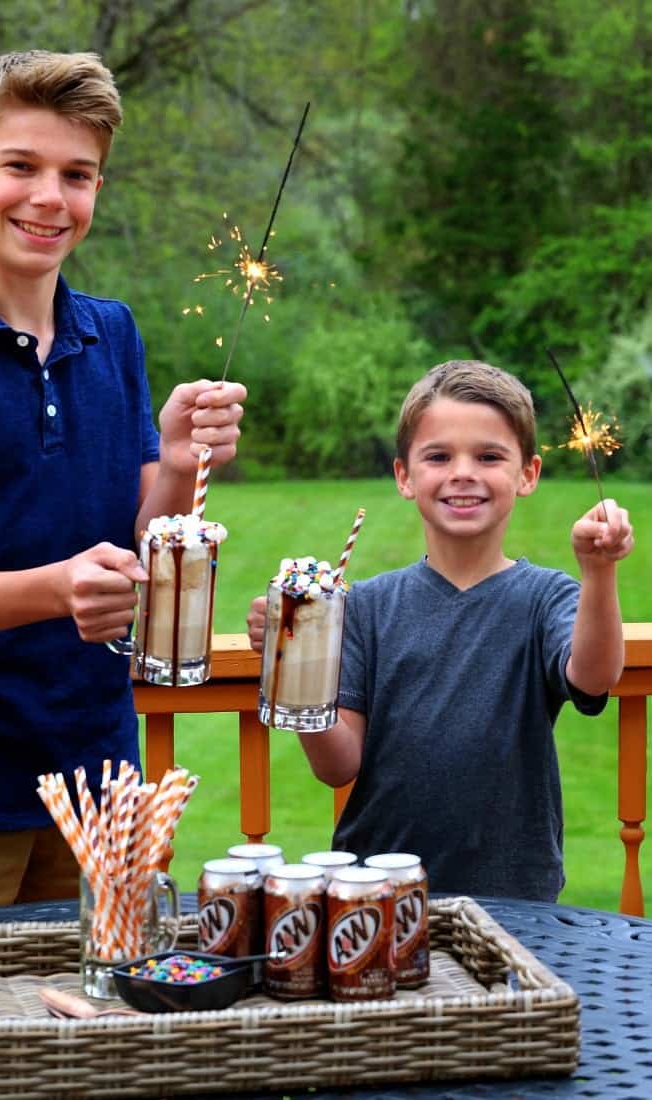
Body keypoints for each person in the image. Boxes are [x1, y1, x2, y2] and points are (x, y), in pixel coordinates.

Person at [0, 50, 247, 917]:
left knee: (90, 1034)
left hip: (102, 780)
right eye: (20, 166)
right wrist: (54, 591)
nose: (50, 198)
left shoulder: (113, 334)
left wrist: (172, 465)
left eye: (78, 174)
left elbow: (139, 547)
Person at [247, 360, 634, 901]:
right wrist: (290, 663)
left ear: (528, 474)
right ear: (405, 475)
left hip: (515, 893)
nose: (463, 472)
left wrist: (598, 571)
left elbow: (593, 677)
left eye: (489, 456)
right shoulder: (367, 607)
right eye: (438, 456)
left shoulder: (547, 597)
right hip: (375, 888)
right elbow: (337, 766)